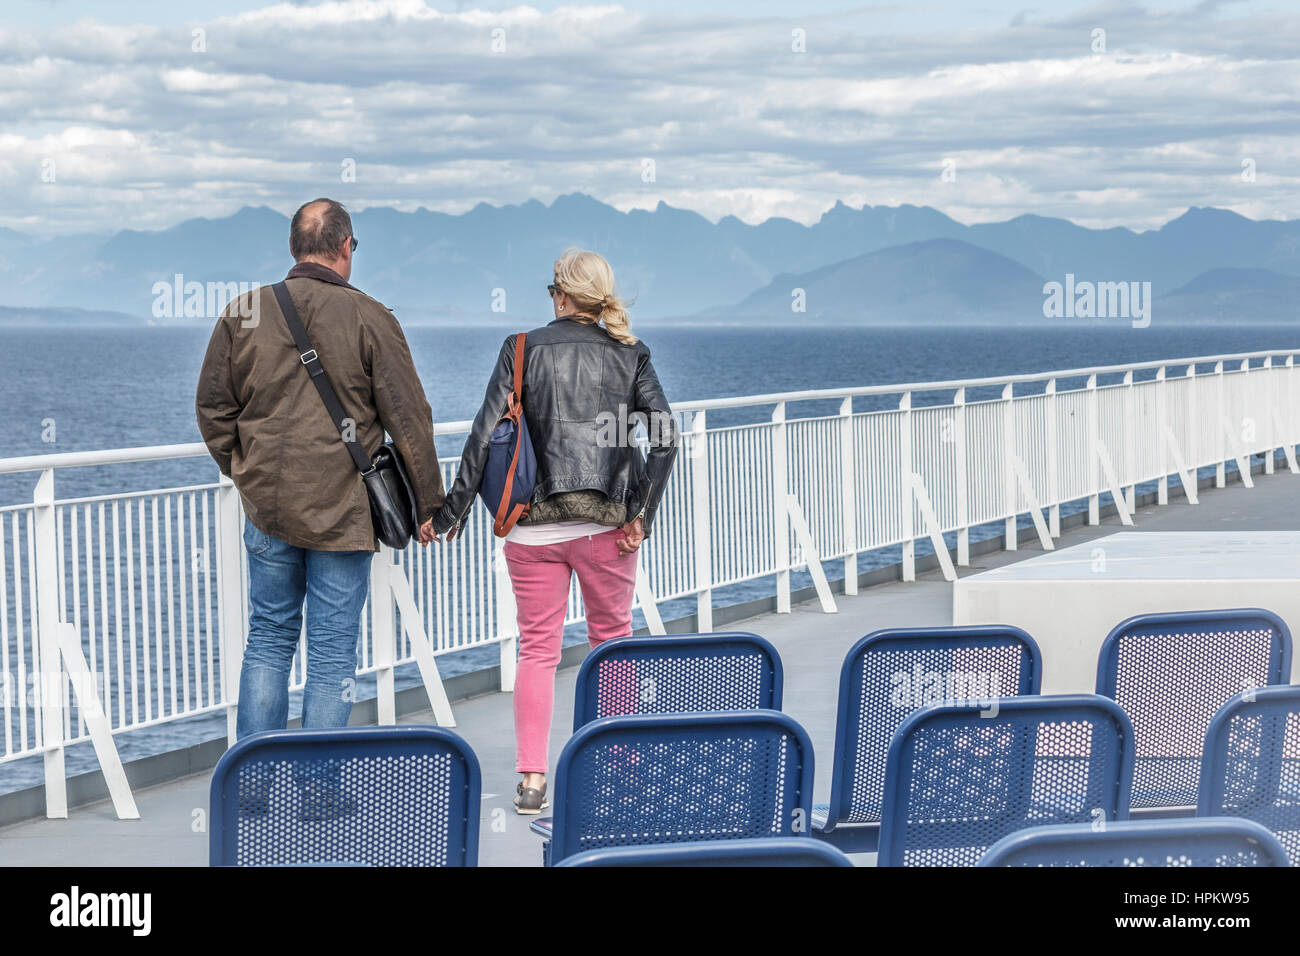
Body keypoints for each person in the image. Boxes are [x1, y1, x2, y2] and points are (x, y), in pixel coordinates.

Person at [196, 198, 444, 759]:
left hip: (268, 508)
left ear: (293, 248)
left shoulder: (244, 313)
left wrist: (244, 472)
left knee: (268, 638)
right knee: (332, 650)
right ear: (345, 247)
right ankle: (317, 785)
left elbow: (214, 410)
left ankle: (251, 781)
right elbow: (409, 418)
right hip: (344, 511)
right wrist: (430, 504)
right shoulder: (371, 316)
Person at [432, 247, 677, 814]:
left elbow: (482, 435)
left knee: (538, 650)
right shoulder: (630, 355)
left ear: (561, 297)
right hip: (606, 528)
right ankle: (618, 770)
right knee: (611, 642)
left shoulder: (520, 349)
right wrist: (642, 513)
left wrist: (453, 512)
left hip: (532, 529)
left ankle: (533, 781)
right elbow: (666, 438)